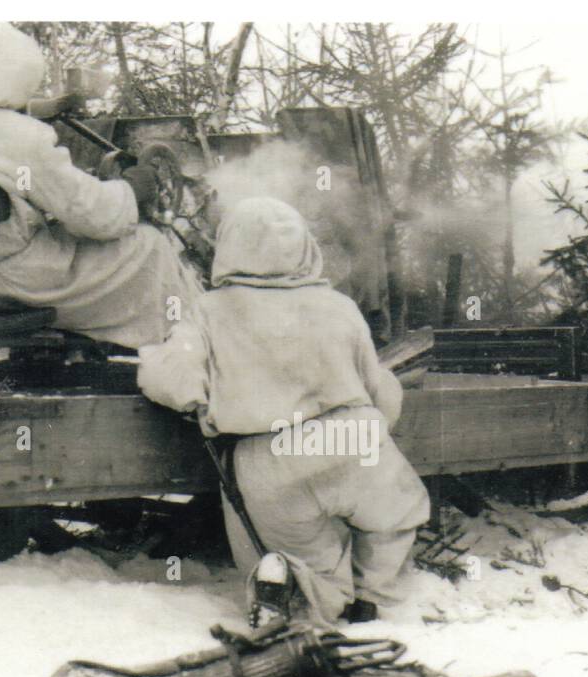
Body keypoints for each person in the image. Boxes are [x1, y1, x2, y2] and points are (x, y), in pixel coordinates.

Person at [138, 196, 429, 623]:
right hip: (356, 439)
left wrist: (194, 396)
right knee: (394, 518)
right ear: (305, 247)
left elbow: (171, 376)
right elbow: (378, 389)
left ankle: (295, 585)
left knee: (306, 559)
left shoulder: (210, 310)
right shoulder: (340, 307)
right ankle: (374, 598)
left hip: (271, 456)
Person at [0, 21, 201, 348]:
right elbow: (93, 215)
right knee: (149, 246)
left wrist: (43, 109)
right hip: (14, 287)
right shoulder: (22, 138)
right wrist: (131, 190)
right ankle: (169, 351)